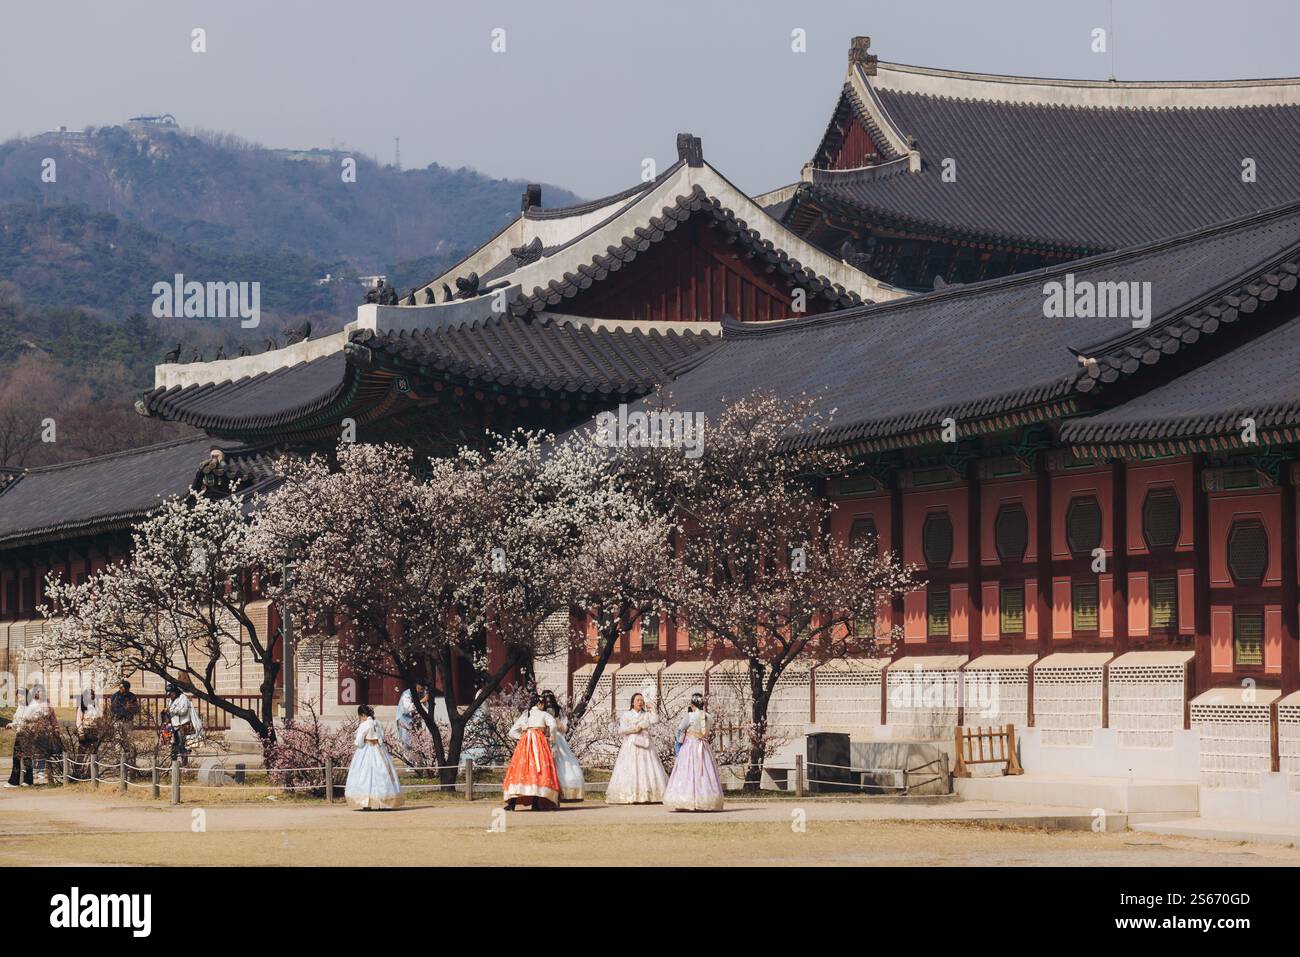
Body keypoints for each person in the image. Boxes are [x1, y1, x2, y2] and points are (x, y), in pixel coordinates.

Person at [663, 694, 724, 812]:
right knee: (704, 771)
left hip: (690, 745)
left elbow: (680, 729)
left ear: (692, 704)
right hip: (703, 745)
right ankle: (706, 799)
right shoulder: (708, 717)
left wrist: (679, 742)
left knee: (687, 770)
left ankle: (686, 799)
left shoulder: (690, 716)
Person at [605, 692, 667, 804]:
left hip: (645, 745)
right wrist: (634, 729)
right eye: (638, 700)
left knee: (647, 768)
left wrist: (653, 709)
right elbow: (621, 730)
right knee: (631, 768)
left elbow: (655, 720)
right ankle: (630, 794)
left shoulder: (646, 714)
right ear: (632, 702)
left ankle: (648, 794)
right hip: (631, 745)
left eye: (641, 700)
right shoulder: (627, 715)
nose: (640, 702)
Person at [501, 693, 560, 810]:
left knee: (520, 770)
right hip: (539, 744)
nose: (544, 706)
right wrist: (552, 738)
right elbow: (553, 726)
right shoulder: (544, 714)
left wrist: (523, 737)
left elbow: (511, 732)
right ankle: (535, 803)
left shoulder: (525, 715)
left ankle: (512, 803)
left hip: (525, 745)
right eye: (543, 704)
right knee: (539, 771)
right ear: (539, 703)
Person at [344, 705, 403, 810]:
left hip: (366, 750)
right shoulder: (378, 723)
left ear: (362, 715)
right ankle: (383, 802)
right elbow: (382, 738)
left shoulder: (364, 725)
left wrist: (357, 743)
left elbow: (359, 741)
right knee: (382, 775)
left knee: (364, 775)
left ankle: (367, 803)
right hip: (379, 750)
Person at [540, 690, 583, 801]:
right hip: (543, 738)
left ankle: (563, 792)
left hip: (558, 740)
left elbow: (564, 729)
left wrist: (555, 721)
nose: (549, 704)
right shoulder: (539, 713)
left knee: (563, 764)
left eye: (551, 701)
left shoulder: (559, 713)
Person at [3, 688, 32, 788]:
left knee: (27, 758)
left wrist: (17, 724)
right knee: (16, 758)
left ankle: (26, 780)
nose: (19, 698)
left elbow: (27, 720)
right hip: (19, 734)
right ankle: (15, 781)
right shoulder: (19, 707)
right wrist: (12, 724)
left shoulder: (30, 707)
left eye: (21, 695)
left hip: (27, 735)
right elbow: (17, 720)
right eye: (18, 696)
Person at [164, 684, 195, 767]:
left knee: (181, 746)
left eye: (170, 694)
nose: (170, 696)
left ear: (175, 692)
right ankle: (174, 766)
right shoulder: (171, 700)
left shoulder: (183, 698)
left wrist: (172, 710)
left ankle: (185, 765)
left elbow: (183, 711)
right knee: (174, 747)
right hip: (173, 726)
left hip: (181, 726)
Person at [394, 681, 427, 752]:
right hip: (404, 719)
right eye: (420, 688)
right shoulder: (406, 694)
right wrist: (421, 701)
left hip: (415, 719)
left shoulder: (421, 693)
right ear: (416, 686)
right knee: (406, 739)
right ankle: (408, 758)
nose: (421, 690)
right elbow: (407, 708)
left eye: (422, 689)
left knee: (417, 738)